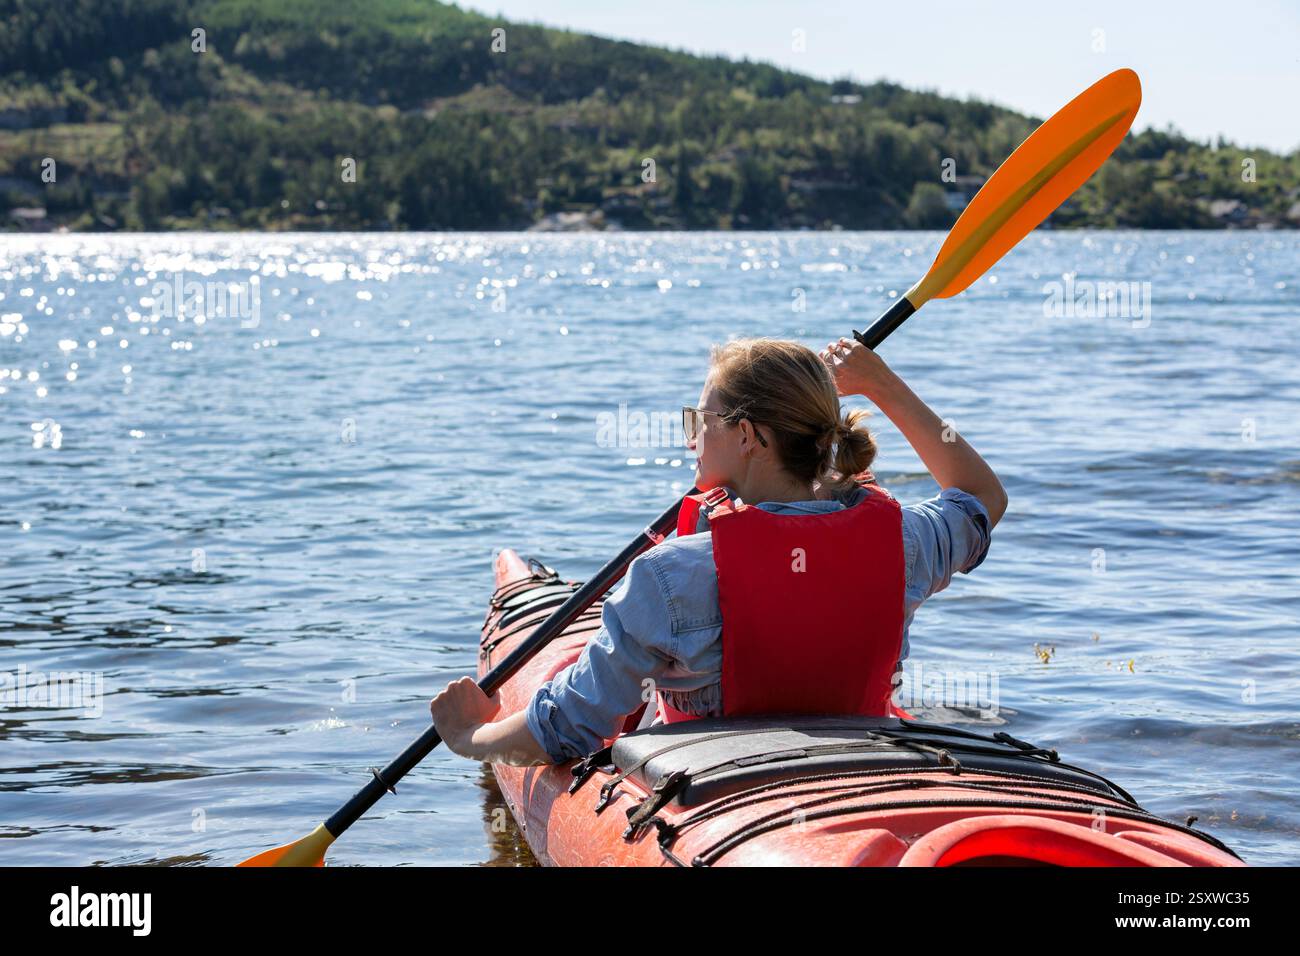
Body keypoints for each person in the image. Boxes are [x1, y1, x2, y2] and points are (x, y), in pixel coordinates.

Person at [430, 336, 1007, 766]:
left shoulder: (667, 577)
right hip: (855, 759)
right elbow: (981, 495)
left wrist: (469, 738)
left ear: (749, 437)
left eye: (699, 421)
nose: (689, 438)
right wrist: (884, 386)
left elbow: (566, 730)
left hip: (713, 783)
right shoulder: (905, 541)